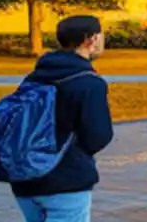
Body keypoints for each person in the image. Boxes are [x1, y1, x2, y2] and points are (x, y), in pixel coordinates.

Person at [11, 15, 113, 222]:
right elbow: (98, 137)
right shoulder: (90, 83)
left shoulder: (36, 76)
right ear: (91, 39)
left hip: (25, 178)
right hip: (66, 180)